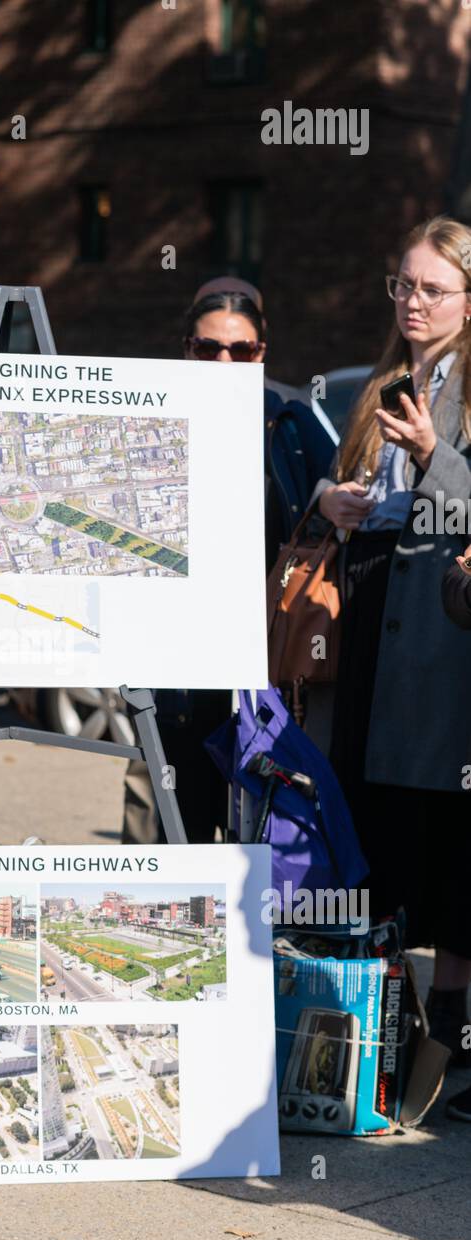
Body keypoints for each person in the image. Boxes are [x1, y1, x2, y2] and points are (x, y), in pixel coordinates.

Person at [311, 214, 471, 1103]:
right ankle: (389, 1037)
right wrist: (337, 503)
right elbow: (370, 498)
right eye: (402, 286)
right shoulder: (384, 380)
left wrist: (435, 456)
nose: (411, 302)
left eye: (431, 289)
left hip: (448, 650)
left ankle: (447, 1044)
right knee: (386, 843)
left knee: (450, 852)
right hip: (376, 636)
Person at [122, 287, 335, 844]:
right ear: (186, 349)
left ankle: (246, 931)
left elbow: (328, 515)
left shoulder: (291, 424)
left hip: (258, 665)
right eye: (208, 347)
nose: (224, 362)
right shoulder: (150, 420)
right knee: (165, 822)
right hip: (172, 661)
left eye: (240, 351)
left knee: (258, 828)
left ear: (261, 353)